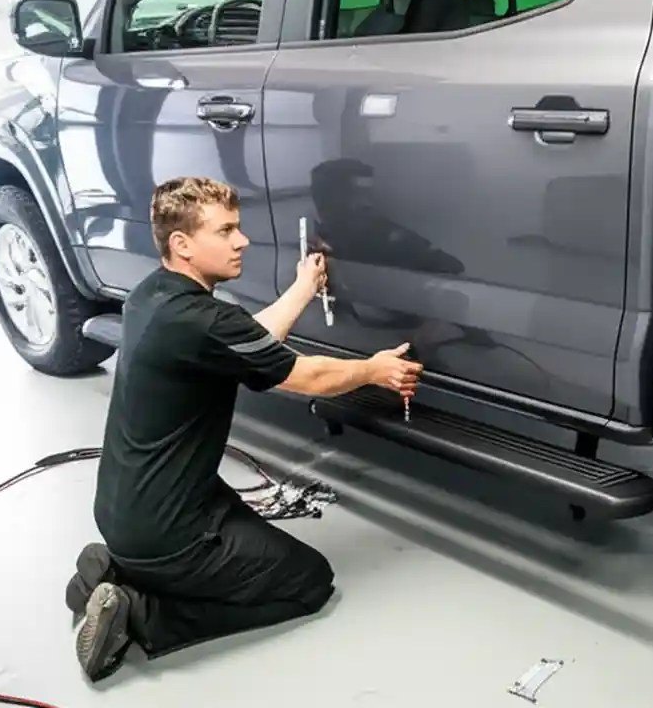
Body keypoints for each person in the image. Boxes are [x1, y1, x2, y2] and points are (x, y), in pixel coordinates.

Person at [62, 176, 423, 681]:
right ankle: (144, 613)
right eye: (226, 230)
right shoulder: (205, 320)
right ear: (182, 244)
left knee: (251, 550)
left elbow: (249, 342)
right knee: (309, 583)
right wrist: (374, 370)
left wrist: (302, 288)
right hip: (170, 531)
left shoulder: (153, 296)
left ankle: (113, 570)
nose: (243, 241)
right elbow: (310, 377)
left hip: (127, 509)